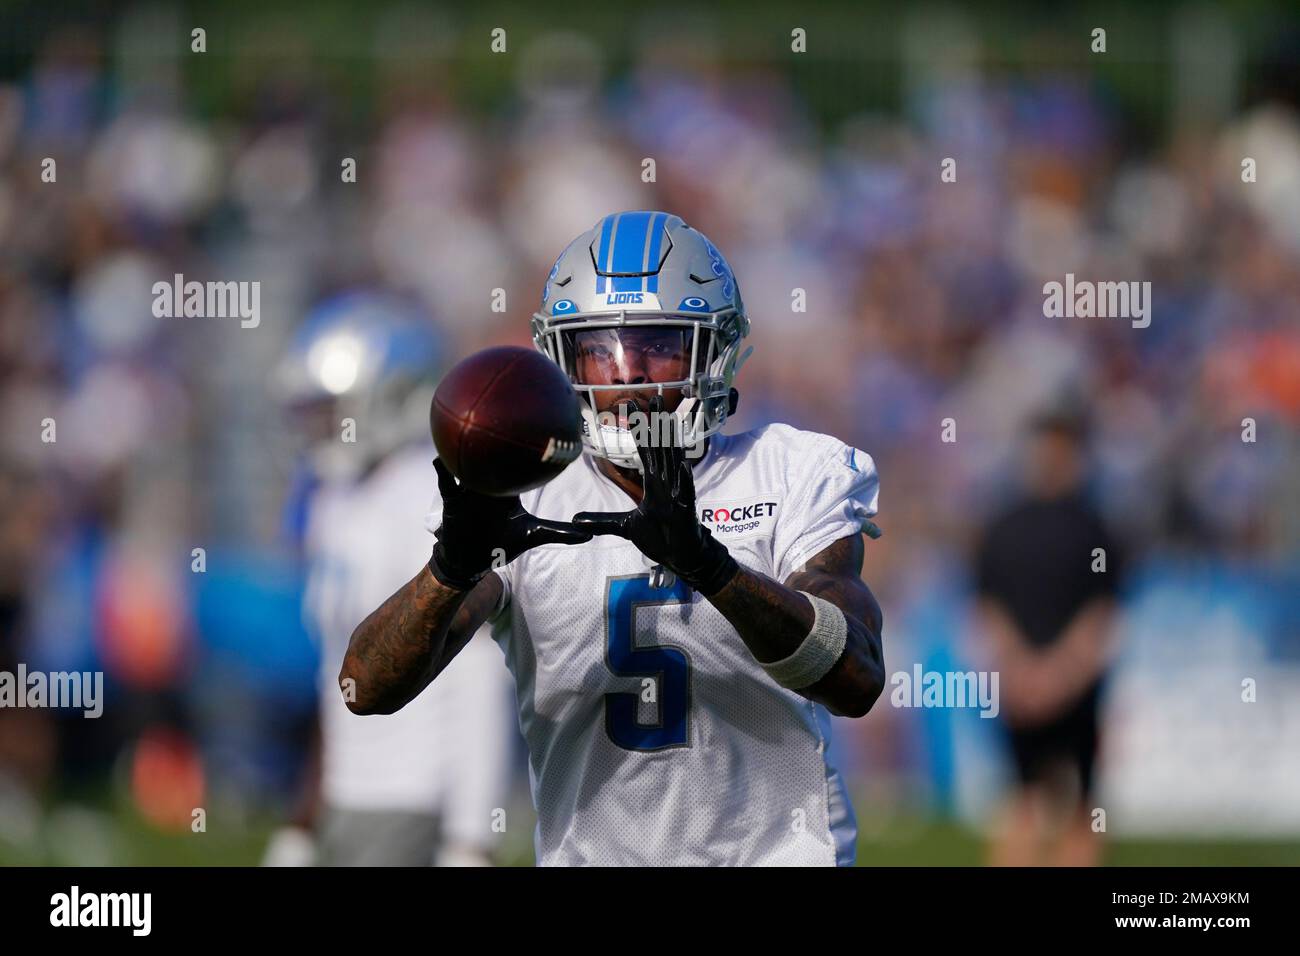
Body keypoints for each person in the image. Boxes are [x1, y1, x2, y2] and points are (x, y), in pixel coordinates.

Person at [341, 212, 886, 866]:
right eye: (600, 350)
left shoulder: (792, 471)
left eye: (658, 344)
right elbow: (364, 690)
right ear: (560, 362)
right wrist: (449, 569)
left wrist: (712, 568)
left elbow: (855, 679)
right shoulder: (531, 496)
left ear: (714, 352)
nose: (628, 375)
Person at [265, 292, 514, 867]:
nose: (320, 426)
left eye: (333, 409)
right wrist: (305, 817)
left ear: (390, 397)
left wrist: (472, 836)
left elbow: (477, 675)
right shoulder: (335, 499)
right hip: (347, 798)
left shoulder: (427, 495)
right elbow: (338, 680)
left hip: (415, 798)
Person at [974, 409, 1124, 867]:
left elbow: (1101, 613)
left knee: (1082, 806)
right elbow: (988, 609)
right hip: (1022, 686)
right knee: (1023, 799)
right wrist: (1019, 670)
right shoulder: (1001, 529)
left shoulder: (1096, 530)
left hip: (1073, 687)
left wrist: (1059, 675)